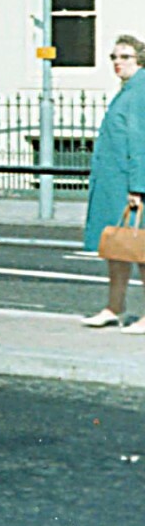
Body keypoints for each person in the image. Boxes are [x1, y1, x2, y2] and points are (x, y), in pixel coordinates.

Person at [80, 34, 145, 332]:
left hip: (129, 186)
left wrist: (138, 187)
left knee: (141, 250)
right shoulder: (129, 90)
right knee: (117, 247)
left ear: (140, 60)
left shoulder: (140, 91)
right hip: (116, 183)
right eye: (114, 57)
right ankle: (114, 307)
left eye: (125, 57)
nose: (118, 62)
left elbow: (140, 142)